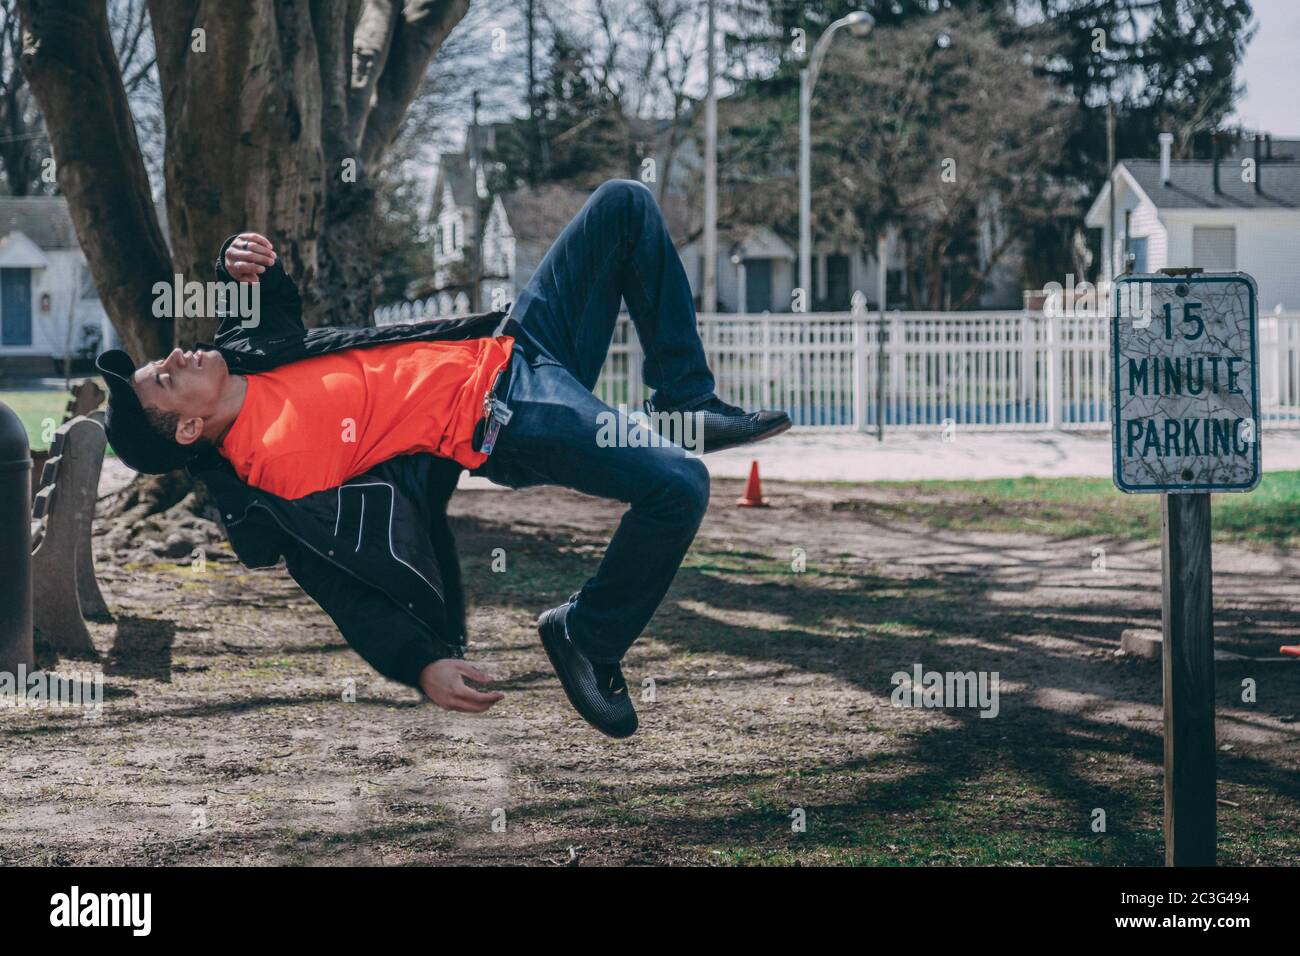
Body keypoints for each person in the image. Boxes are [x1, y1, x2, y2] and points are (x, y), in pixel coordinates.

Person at [97, 179, 790, 737]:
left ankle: (684, 396)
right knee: (679, 484)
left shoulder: (250, 357)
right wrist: (421, 661)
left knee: (624, 205)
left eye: (160, 361)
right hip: (506, 417)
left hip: (516, 342)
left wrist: (238, 263)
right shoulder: (277, 482)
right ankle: (589, 636)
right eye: (164, 378)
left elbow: (267, 313)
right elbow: (342, 588)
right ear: (187, 429)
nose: (176, 356)